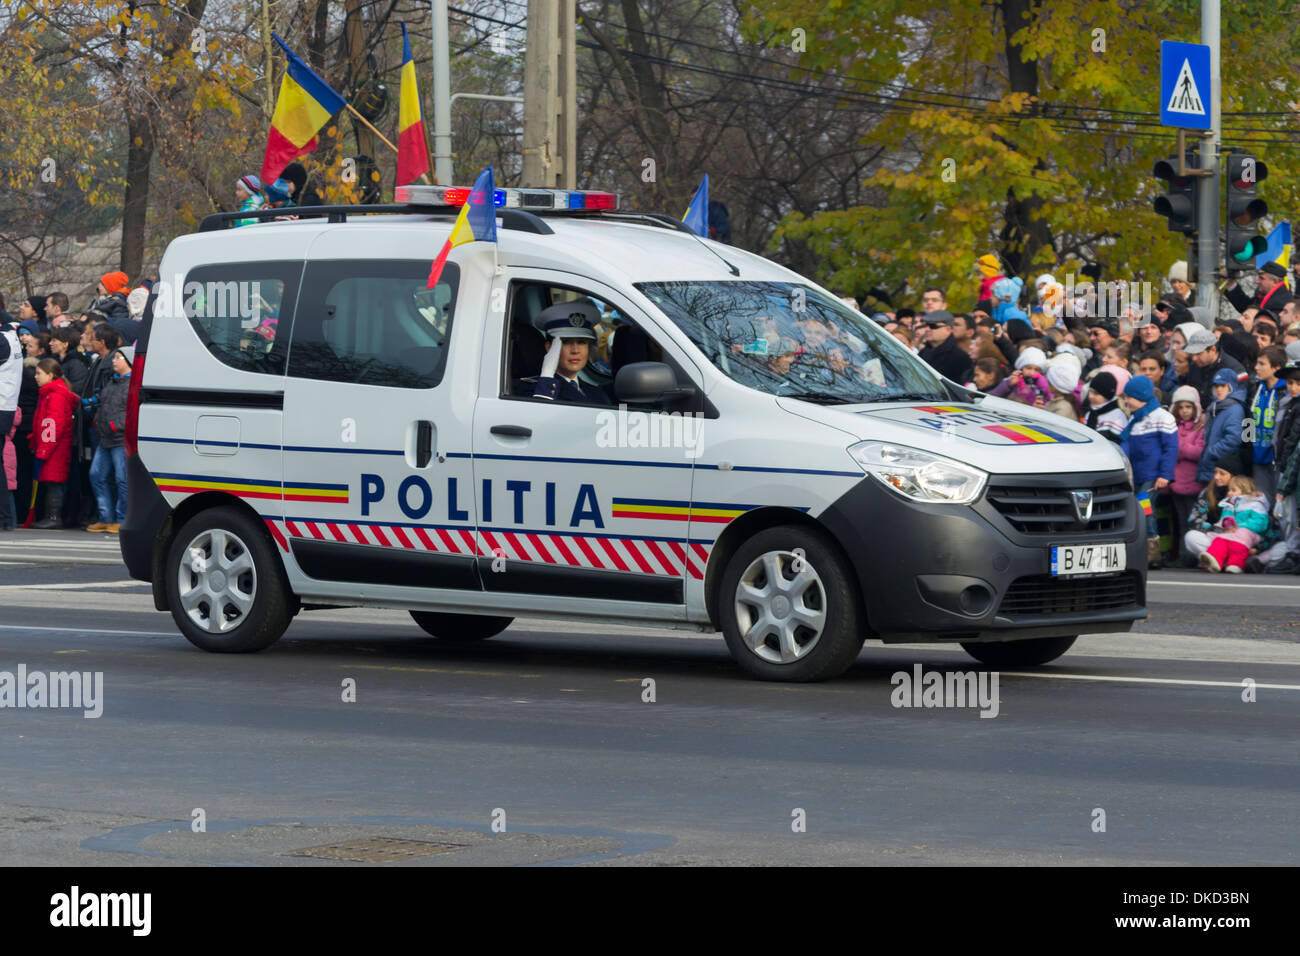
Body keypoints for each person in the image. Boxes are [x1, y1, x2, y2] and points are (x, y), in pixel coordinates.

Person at [1118, 375, 1178, 568]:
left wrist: (1165, 475)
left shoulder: (1162, 417)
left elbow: (1171, 449)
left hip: (1153, 477)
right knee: (1139, 511)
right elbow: (1126, 446)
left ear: (1142, 396)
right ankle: (1143, 550)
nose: (1126, 401)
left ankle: (1152, 550)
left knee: (1145, 510)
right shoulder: (1135, 421)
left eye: (1129, 397)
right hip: (1138, 476)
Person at [26, 358, 78, 529]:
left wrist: (44, 449)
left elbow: (53, 425)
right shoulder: (49, 394)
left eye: (39, 373)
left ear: (50, 375)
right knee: (51, 481)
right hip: (52, 447)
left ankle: (54, 517)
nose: (35, 377)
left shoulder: (55, 396)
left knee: (54, 482)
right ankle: (51, 516)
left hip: (54, 448)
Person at [531, 301, 612, 405]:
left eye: (581, 342)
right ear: (549, 347)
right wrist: (547, 375)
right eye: (566, 342)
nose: (575, 350)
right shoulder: (533, 390)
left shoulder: (598, 394)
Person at [87, 347, 132, 533]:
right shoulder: (112, 382)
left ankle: (123, 518)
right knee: (96, 475)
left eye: (119, 358)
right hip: (105, 437)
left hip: (120, 438)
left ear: (128, 362)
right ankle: (105, 517)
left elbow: (131, 411)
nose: (114, 361)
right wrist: (98, 420)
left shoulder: (131, 384)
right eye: (114, 358)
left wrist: (115, 425)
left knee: (122, 479)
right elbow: (103, 404)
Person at [1262, 361, 1300, 573]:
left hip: (1294, 466)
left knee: (1293, 513)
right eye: (1290, 383)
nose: (1292, 387)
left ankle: (1294, 553)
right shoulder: (1290, 404)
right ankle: (1292, 552)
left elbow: (1294, 440)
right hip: (1287, 464)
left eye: (1297, 383)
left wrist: (1286, 463)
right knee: (1289, 513)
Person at [1198, 474, 1270, 573]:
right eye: (1229, 490)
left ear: (1245, 491)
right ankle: (1215, 560)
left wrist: (1240, 526)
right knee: (1221, 539)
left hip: (1251, 534)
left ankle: (1236, 564)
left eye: (1233, 490)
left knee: (1241, 536)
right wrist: (1227, 525)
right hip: (1233, 532)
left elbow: (1260, 524)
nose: (1230, 493)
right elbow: (1225, 518)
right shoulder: (1229, 504)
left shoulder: (1255, 504)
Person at [1167, 385, 1206, 564]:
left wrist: (1180, 448)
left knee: (1193, 522)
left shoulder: (1200, 427)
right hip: (1176, 483)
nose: (1184, 411)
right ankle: (1183, 556)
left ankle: (1191, 555)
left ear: (1195, 407)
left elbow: (1199, 451)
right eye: (1181, 407)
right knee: (1181, 521)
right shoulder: (1173, 426)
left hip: (1192, 482)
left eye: (1188, 407)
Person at [1197, 368, 1247, 485]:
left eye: (1223, 386)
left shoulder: (1234, 409)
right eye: (1216, 386)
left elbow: (1233, 439)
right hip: (1211, 467)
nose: (1218, 389)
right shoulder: (1217, 407)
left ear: (1231, 387)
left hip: (1220, 467)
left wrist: (1211, 452)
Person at [1183, 326, 1246, 409]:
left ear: (1213, 349)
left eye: (1198, 354)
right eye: (1192, 354)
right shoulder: (1194, 366)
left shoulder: (1233, 369)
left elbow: (1237, 402)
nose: (1194, 358)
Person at [0, 314, 21, 530]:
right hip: (6, 405)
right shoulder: (11, 337)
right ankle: (5, 518)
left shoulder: (2, 339)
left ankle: (4, 517)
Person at [917, 310, 971, 381]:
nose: (927, 329)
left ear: (948, 329)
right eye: (926, 325)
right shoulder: (922, 353)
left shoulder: (960, 358)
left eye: (933, 326)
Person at [1225, 261, 1294, 317]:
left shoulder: (1283, 303)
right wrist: (1231, 282)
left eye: (1261, 278)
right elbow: (1245, 307)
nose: (1256, 281)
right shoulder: (1262, 294)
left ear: (1275, 281)